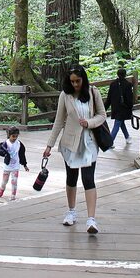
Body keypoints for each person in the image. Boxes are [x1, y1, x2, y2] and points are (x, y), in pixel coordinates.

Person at [43, 64, 106, 234]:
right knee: (71, 178)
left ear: (83, 79)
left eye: (78, 81)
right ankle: (71, 211)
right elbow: (58, 121)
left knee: (88, 179)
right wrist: (49, 145)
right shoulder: (65, 95)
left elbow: (102, 115)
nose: (75, 84)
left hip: (89, 142)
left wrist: (89, 123)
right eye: (72, 81)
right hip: (70, 143)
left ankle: (91, 220)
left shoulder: (93, 93)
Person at [0, 126, 29, 200]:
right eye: (13, 136)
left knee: (14, 181)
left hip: (15, 166)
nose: (14, 138)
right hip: (7, 166)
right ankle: (2, 188)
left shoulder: (19, 144)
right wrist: (3, 153)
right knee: (5, 181)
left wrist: (24, 164)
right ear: (9, 135)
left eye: (16, 136)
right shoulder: (5, 144)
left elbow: (22, 154)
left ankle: (13, 195)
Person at [105, 69, 134, 146]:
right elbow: (130, 99)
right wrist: (130, 108)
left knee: (121, 122)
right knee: (117, 124)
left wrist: (105, 108)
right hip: (123, 108)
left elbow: (109, 98)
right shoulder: (128, 85)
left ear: (117, 74)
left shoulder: (113, 84)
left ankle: (127, 137)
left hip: (115, 108)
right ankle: (110, 142)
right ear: (125, 74)